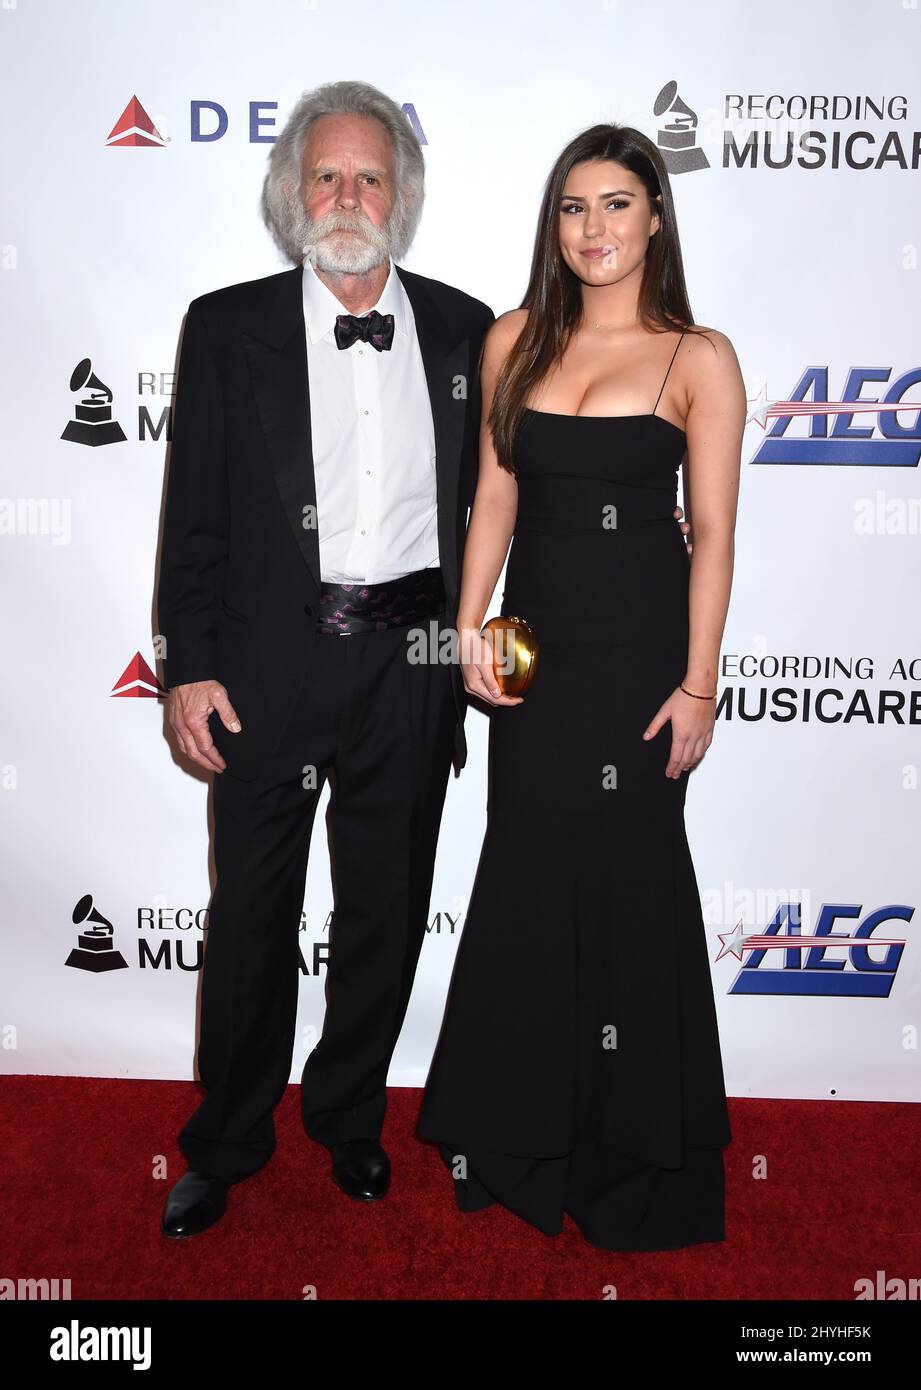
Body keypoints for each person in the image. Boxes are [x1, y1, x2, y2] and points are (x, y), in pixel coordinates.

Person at [155, 80, 498, 1237]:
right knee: (252, 912)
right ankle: (227, 1138)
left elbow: (492, 511)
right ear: (290, 190)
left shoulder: (467, 328)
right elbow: (191, 517)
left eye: (370, 175)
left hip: (410, 666)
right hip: (266, 670)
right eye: (327, 174)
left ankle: (350, 1115)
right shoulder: (224, 325)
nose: (348, 196)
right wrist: (189, 662)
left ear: (403, 195)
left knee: (386, 910)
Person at [416, 122, 745, 1252]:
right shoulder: (514, 339)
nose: (594, 229)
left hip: (642, 670)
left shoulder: (696, 356)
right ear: (552, 225)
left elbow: (711, 537)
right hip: (540, 668)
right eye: (573, 207)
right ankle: (516, 1140)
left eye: (616, 204)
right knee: (528, 878)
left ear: (656, 215)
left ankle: (633, 1157)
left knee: (632, 891)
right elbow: (494, 502)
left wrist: (699, 683)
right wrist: (467, 627)